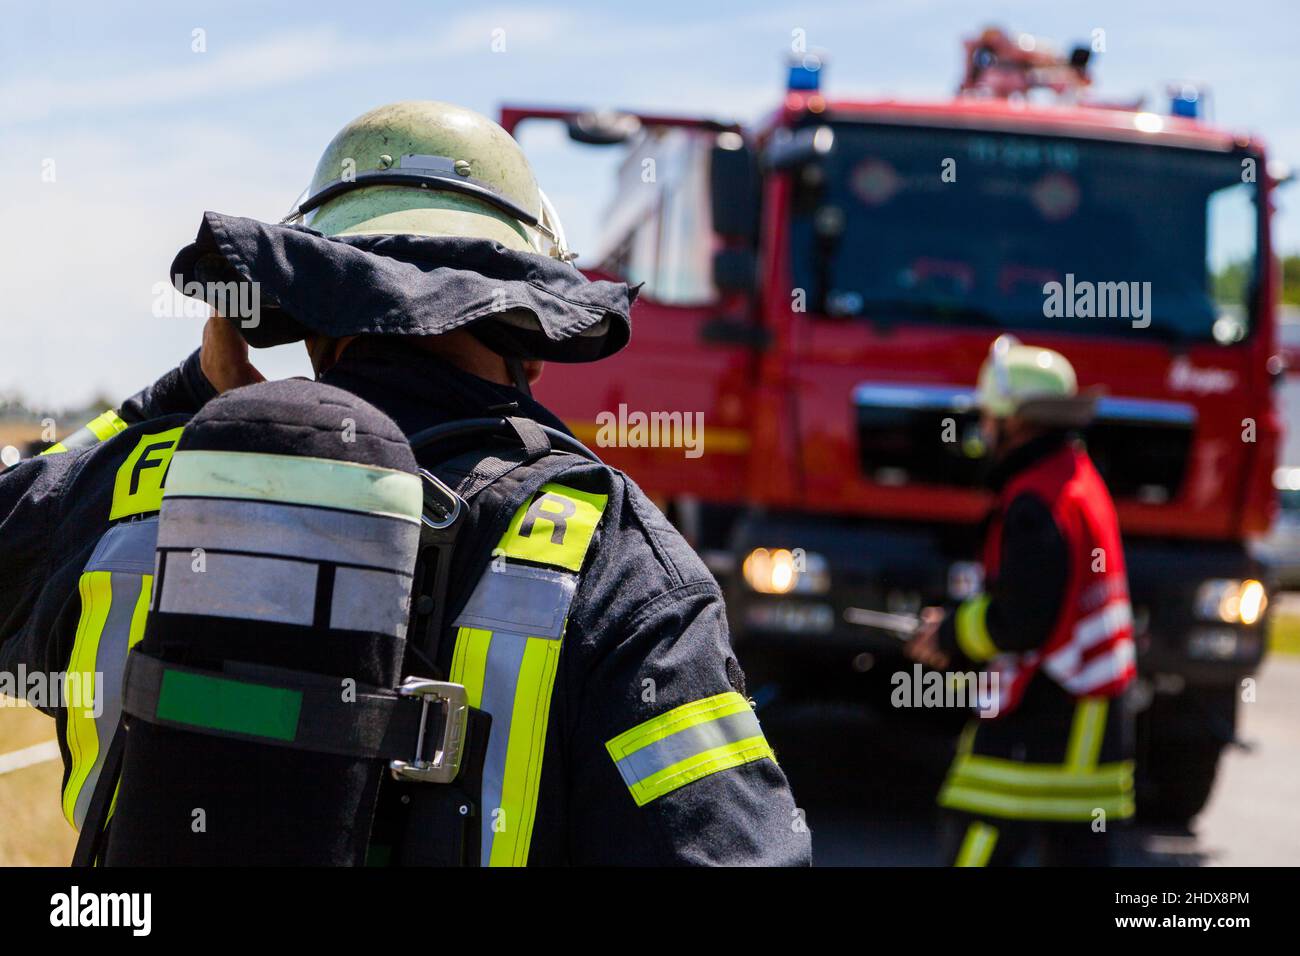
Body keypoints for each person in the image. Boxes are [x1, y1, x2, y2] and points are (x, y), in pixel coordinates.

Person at [0, 100, 810, 867]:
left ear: (313, 325)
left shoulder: (126, 490)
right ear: (533, 340)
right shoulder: (613, 555)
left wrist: (171, 401)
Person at [906, 335, 1136, 866]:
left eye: (991, 416)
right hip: (1088, 725)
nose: (984, 429)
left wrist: (949, 634)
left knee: (975, 836)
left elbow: (1024, 619)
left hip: (1049, 722)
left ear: (1016, 421)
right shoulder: (1072, 479)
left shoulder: (1036, 498)